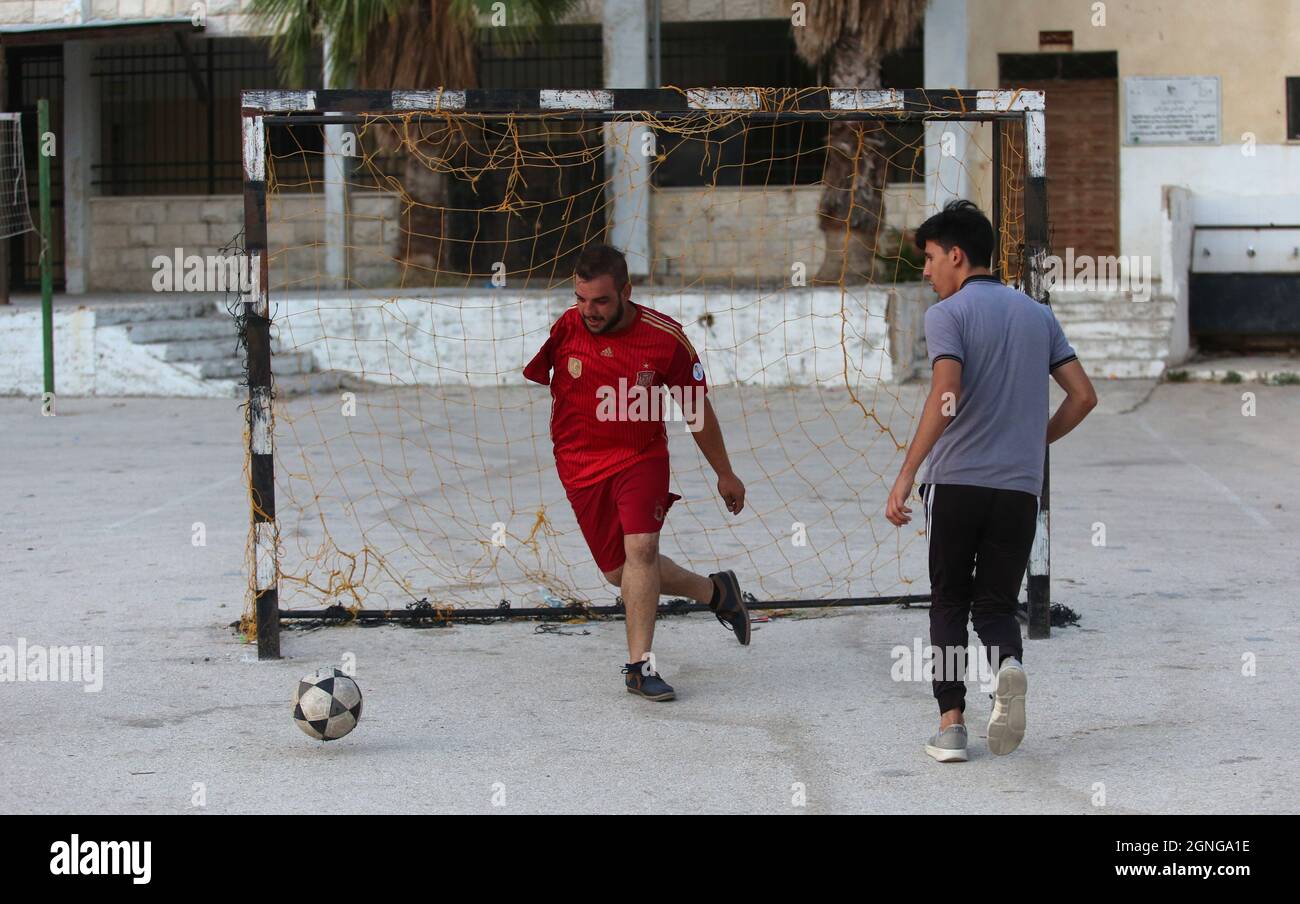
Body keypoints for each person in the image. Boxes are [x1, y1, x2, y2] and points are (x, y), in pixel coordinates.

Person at [885, 200, 1098, 761]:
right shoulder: (1038, 315)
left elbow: (945, 397)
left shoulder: (947, 315)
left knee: (950, 600)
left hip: (956, 484)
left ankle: (951, 725)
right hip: (1019, 489)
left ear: (957, 255)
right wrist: (1034, 441)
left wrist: (907, 472)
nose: (926, 272)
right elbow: (1084, 396)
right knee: (998, 605)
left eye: (930, 259)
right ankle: (1008, 665)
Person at [524, 243, 751, 702]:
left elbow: (695, 409)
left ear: (626, 291)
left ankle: (639, 667)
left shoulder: (665, 338)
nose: (589, 311)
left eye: (601, 301)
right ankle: (715, 592)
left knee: (642, 550)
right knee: (618, 573)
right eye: (581, 299)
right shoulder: (566, 327)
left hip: (640, 458)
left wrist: (725, 472)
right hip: (579, 466)